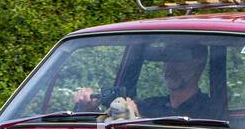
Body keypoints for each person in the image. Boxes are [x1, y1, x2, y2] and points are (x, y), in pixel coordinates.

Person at [74, 44, 222, 120]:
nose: (170, 66)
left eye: (178, 59)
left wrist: (138, 119)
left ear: (199, 63)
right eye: (166, 59)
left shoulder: (211, 111)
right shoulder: (149, 105)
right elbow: (110, 128)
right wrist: (89, 109)